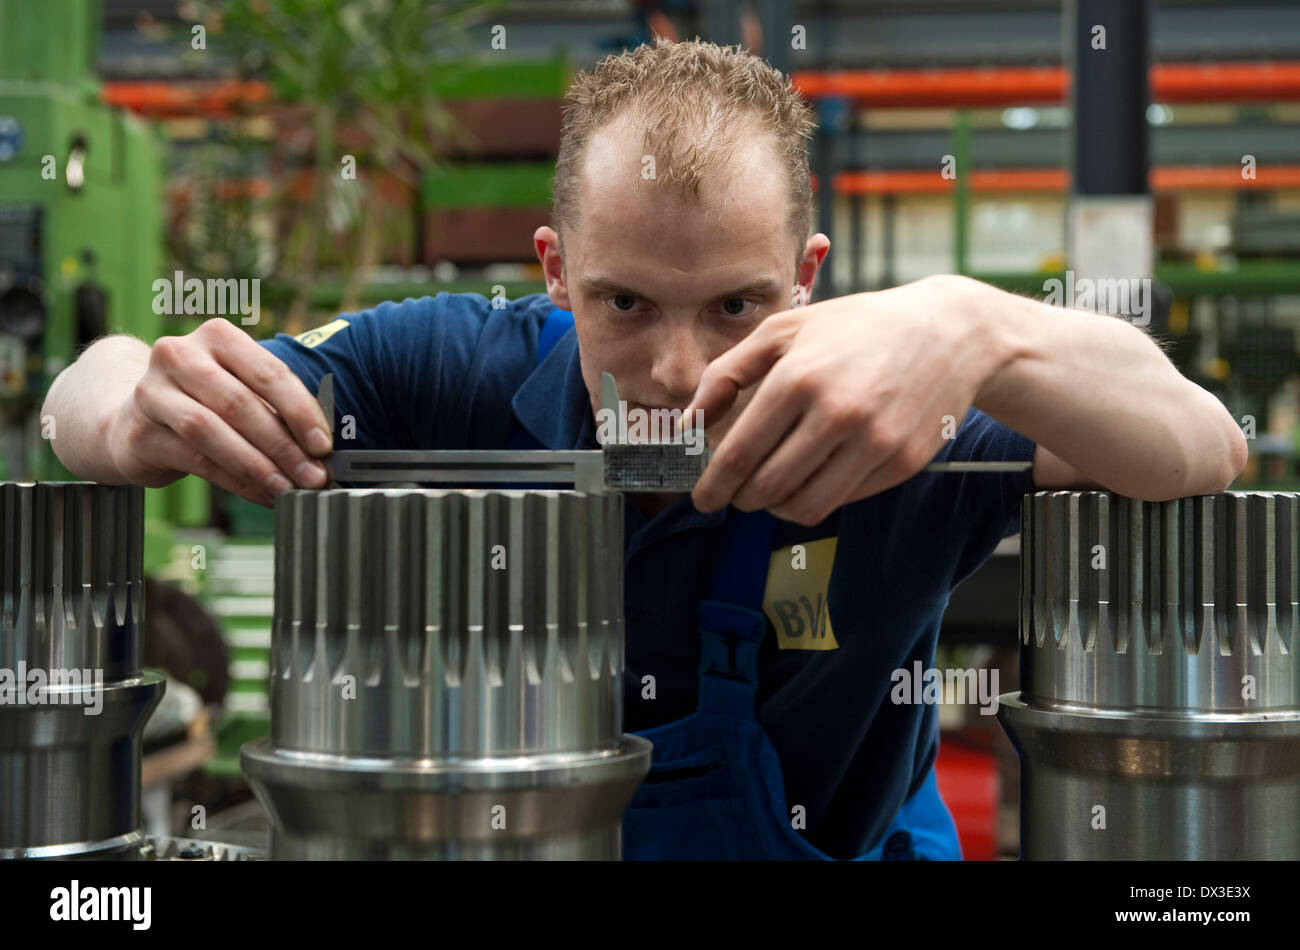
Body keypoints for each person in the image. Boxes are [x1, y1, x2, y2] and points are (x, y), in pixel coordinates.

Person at [43, 37, 1247, 860]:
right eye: (623, 304)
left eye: (734, 305)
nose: (676, 372)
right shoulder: (451, 369)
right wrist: (125, 391)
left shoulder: (895, 401)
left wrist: (975, 323)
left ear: (807, 279)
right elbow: (88, 402)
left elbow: (1200, 440)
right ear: (553, 268)